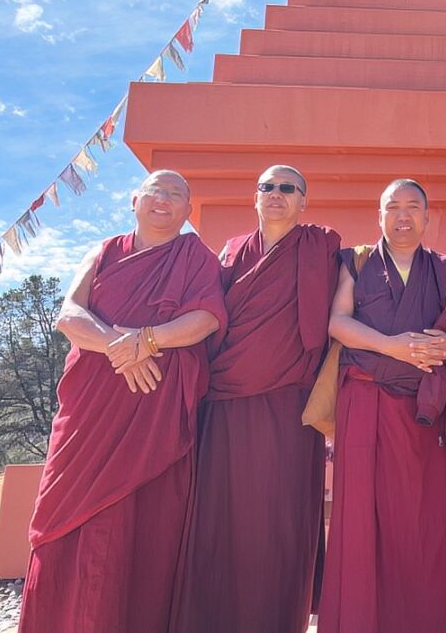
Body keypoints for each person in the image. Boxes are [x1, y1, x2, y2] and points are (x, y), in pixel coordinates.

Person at [18, 171, 227, 633]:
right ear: (134, 200)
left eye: (177, 195)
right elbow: (70, 315)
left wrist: (147, 340)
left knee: (148, 529)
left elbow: (207, 319)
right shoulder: (104, 251)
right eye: (156, 191)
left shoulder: (196, 257)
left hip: (154, 420)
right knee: (63, 517)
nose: (165, 200)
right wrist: (124, 347)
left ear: (188, 211)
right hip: (89, 416)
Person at [319, 179, 446, 633]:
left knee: (428, 519)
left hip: (426, 412)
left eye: (412, 207)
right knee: (363, 518)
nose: (403, 216)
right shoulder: (357, 262)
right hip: (365, 404)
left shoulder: (445, 269)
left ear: (426, 216)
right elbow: (338, 322)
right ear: (379, 216)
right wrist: (392, 347)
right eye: (392, 208)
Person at [172, 165, 341, 633]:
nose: (277, 195)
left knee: (282, 517)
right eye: (268, 187)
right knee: (223, 513)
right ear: (255, 197)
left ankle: (281, 618)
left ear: (303, 202)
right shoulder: (229, 253)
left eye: (289, 189)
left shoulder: (322, 247)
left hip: (290, 405)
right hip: (227, 401)